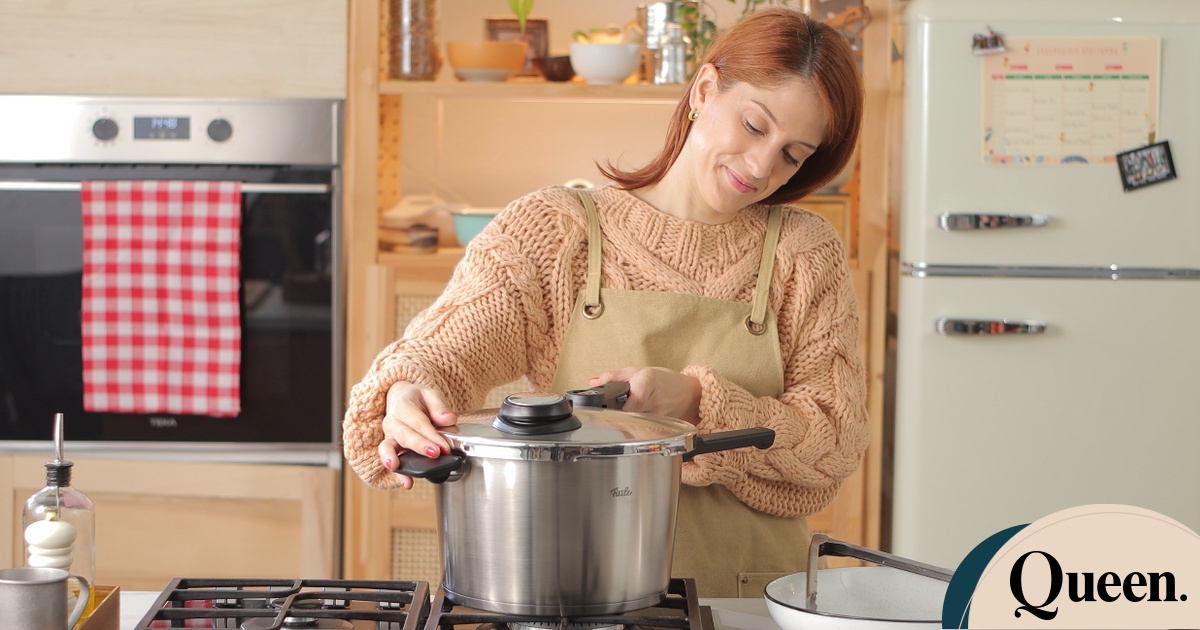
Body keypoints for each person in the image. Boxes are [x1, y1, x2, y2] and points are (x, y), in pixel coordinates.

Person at [342, 7, 870, 598]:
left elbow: (834, 445)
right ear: (704, 90)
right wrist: (407, 392)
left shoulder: (804, 252)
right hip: (583, 599)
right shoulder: (558, 231)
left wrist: (696, 403)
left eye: (793, 154)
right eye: (753, 125)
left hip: (756, 606)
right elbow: (442, 354)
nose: (761, 165)